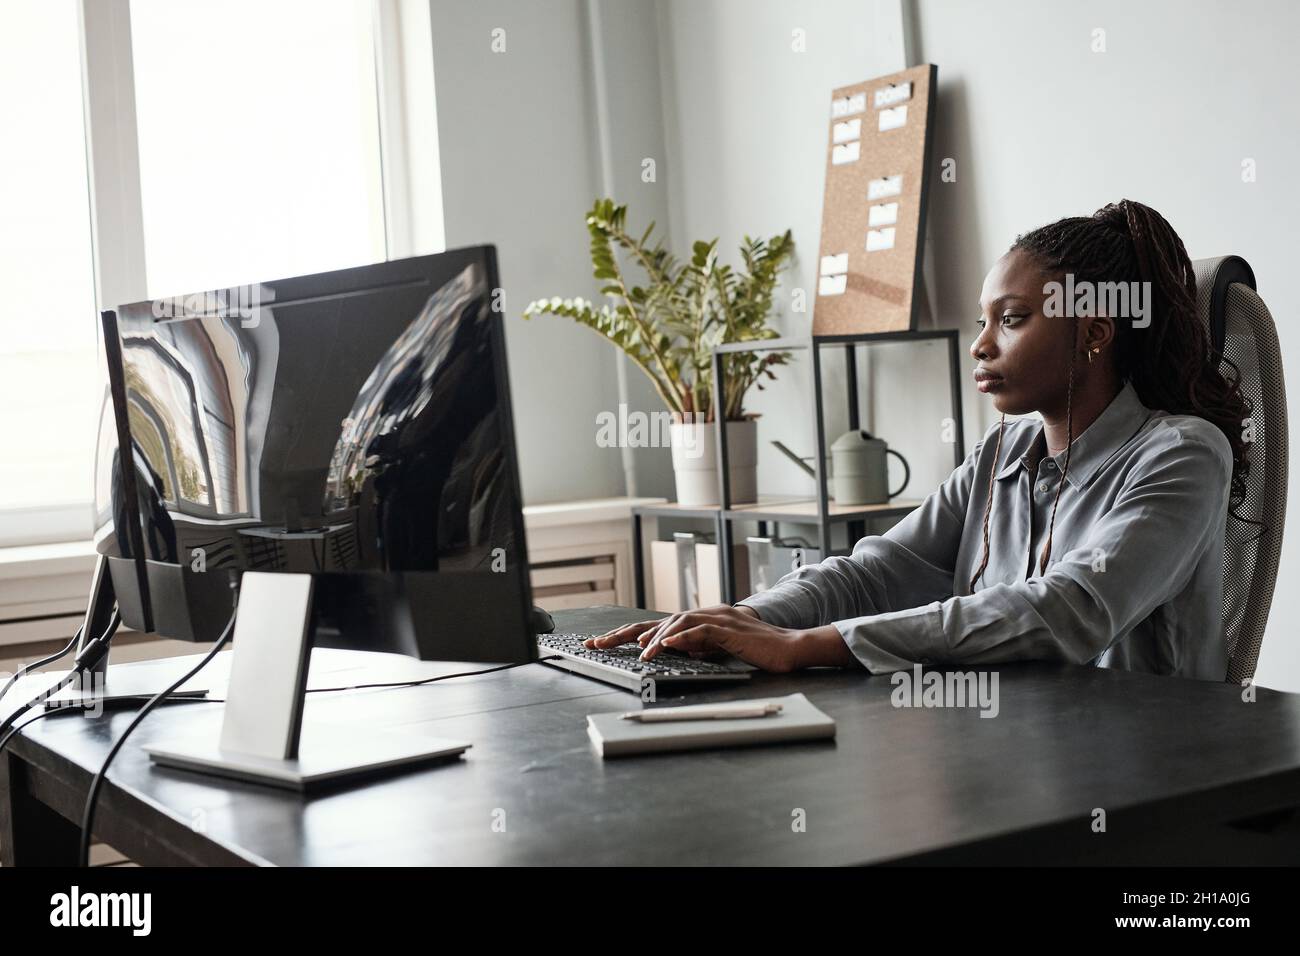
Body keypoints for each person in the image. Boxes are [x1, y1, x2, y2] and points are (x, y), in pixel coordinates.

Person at [588, 200, 1255, 680]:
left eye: (1013, 320)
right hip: (1019, 752)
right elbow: (875, 570)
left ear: (1094, 332)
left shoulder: (1183, 454)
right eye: (982, 321)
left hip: (1152, 774)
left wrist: (810, 645)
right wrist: (741, 622)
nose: (982, 344)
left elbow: (1069, 610)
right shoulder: (1001, 456)